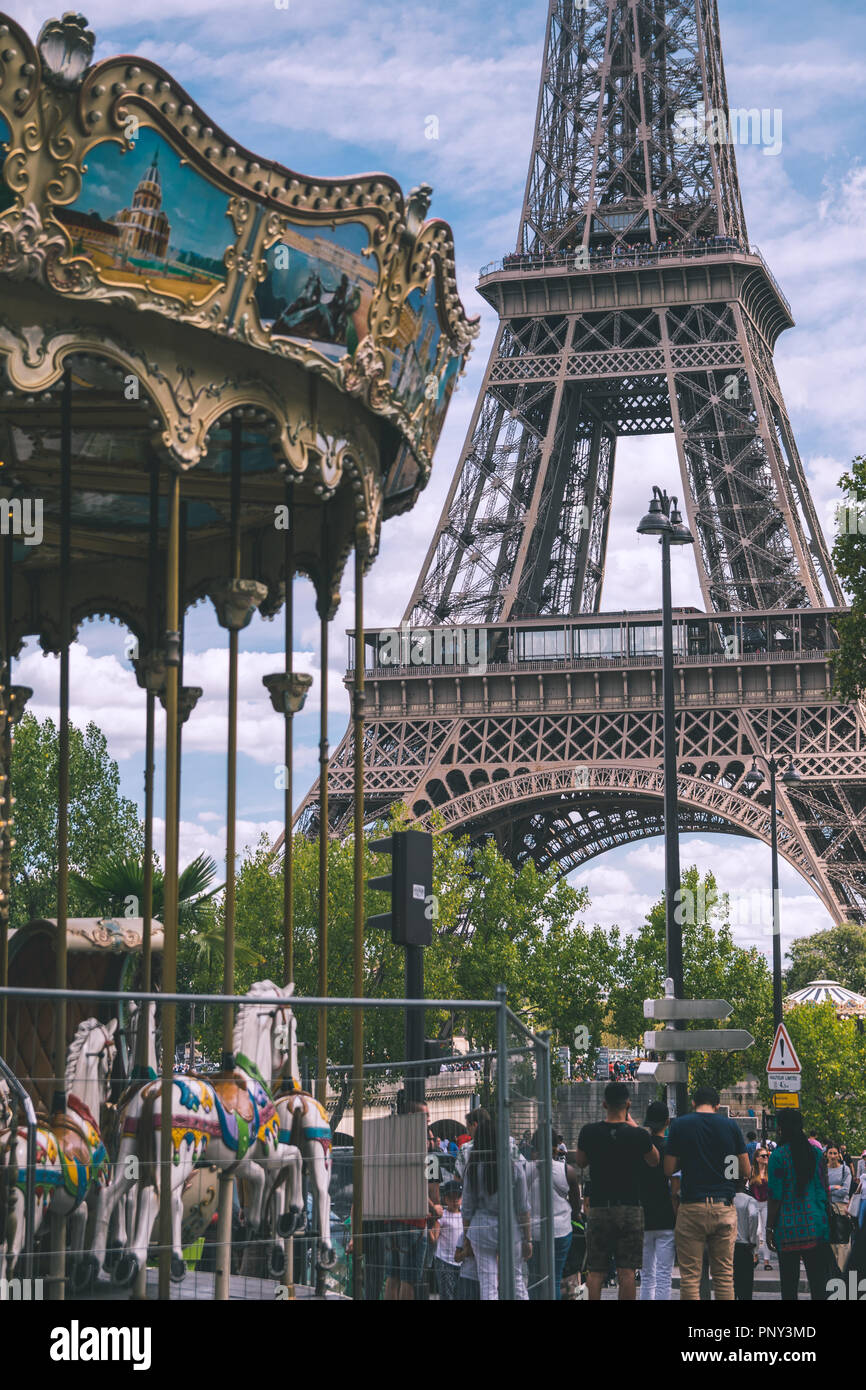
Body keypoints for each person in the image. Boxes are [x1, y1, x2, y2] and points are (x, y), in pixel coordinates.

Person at [575, 1080, 659, 1301]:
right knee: (627, 1272)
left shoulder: (589, 1132)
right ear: (628, 1104)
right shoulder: (639, 1135)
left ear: (604, 1104)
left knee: (596, 1271)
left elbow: (581, 1162)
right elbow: (654, 1160)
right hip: (630, 1207)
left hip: (600, 1207)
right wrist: (632, 1124)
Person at [664, 1084, 750, 1300]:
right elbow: (746, 1170)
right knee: (723, 1276)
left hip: (692, 1205)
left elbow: (668, 1169)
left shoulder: (680, 1126)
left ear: (693, 1103)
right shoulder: (730, 1126)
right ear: (717, 1105)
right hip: (723, 1206)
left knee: (690, 1277)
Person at [461, 1111, 531, 1300]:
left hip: (481, 1228)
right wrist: (528, 1239)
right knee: (516, 1280)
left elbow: (466, 1208)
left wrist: (466, 1237)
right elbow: (523, 1208)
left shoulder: (473, 1169)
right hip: (510, 1228)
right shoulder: (514, 1168)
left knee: (488, 1283)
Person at [767, 1110, 831, 1301]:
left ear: (780, 1128)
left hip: (788, 1229)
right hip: (816, 1225)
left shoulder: (778, 1156)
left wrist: (770, 1227)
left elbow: (775, 1196)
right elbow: (824, 1189)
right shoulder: (816, 1154)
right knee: (819, 1285)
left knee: (789, 1285)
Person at [526, 1129, 580, 1299]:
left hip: (532, 1233)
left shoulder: (524, 1170)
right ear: (556, 1147)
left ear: (533, 1146)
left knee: (534, 1280)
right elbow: (576, 1205)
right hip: (560, 1231)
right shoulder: (567, 1171)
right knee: (554, 1279)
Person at [639, 1100, 678, 1300]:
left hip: (644, 1217)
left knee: (647, 1275)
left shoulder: (640, 1150)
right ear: (668, 1122)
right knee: (664, 1274)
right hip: (666, 1218)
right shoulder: (672, 1150)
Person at [433, 1180, 463, 1300]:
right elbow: (434, 1237)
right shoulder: (443, 1216)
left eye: (458, 1197)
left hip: (461, 1262)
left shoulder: (465, 1216)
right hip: (445, 1261)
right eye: (451, 1197)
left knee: (460, 1294)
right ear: (445, 1199)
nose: (455, 1200)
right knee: (447, 1295)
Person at [826, 1144, 854, 1273]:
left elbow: (845, 1191)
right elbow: (820, 1190)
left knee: (842, 1242)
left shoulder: (845, 1169)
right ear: (826, 1154)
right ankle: (832, 1272)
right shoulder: (822, 1170)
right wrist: (834, 1188)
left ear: (839, 1155)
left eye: (835, 1153)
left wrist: (828, 1190)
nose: (832, 1156)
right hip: (826, 1208)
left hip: (841, 1208)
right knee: (829, 1242)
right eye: (830, 1153)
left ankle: (842, 1272)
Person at [733, 1178, 760, 1300]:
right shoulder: (750, 1200)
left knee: (731, 1285)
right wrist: (753, 1240)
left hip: (730, 1245)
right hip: (745, 1245)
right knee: (746, 1285)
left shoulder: (728, 1199)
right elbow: (753, 1216)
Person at [749, 1147, 773, 1270]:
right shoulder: (752, 1171)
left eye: (766, 1156)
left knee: (765, 1231)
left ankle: (766, 1260)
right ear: (757, 1158)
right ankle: (755, 1254)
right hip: (754, 1203)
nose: (766, 1158)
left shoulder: (770, 1171)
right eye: (763, 1156)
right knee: (756, 1231)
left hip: (766, 1203)